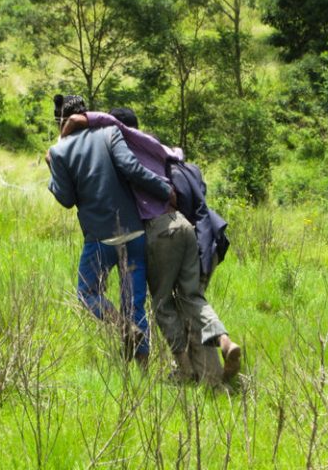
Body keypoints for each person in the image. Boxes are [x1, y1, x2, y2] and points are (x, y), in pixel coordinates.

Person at [62, 108, 241, 386]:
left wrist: (78, 121)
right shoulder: (169, 156)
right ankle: (222, 346)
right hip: (197, 233)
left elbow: (119, 163)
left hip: (160, 232)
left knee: (163, 304)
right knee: (192, 299)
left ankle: (185, 371)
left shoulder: (127, 153)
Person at [47, 95, 174, 366]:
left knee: (87, 292)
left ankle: (123, 328)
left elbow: (66, 198)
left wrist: (52, 172)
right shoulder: (109, 132)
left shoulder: (59, 152)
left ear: (61, 122)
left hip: (99, 239)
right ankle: (140, 369)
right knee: (134, 304)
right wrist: (166, 190)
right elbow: (132, 168)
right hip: (133, 232)